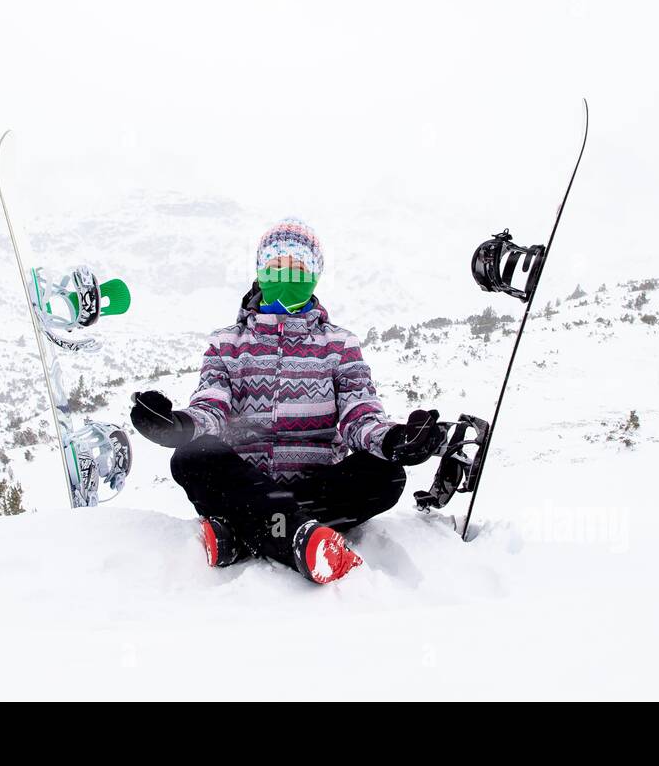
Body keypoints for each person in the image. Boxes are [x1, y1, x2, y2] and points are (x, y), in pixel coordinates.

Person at [130, 217, 446, 585]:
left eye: (298, 267)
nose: (286, 274)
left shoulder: (339, 346)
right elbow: (211, 408)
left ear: (315, 274)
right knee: (191, 457)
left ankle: (245, 533)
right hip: (243, 479)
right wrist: (181, 427)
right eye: (277, 265)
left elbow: (360, 416)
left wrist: (393, 440)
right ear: (261, 270)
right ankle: (299, 536)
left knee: (384, 474)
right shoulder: (226, 344)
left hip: (313, 485)